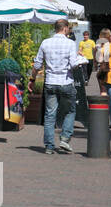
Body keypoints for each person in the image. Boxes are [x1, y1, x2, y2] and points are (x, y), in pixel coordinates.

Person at [31, 19, 78, 155]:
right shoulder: (70, 43)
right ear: (65, 29)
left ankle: (49, 146)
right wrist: (81, 61)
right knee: (70, 111)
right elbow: (74, 64)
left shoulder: (45, 43)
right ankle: (64, 138)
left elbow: (37, 64)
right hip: (66, 81)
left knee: (50, 114)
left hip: (50, 82)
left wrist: (32, 79)